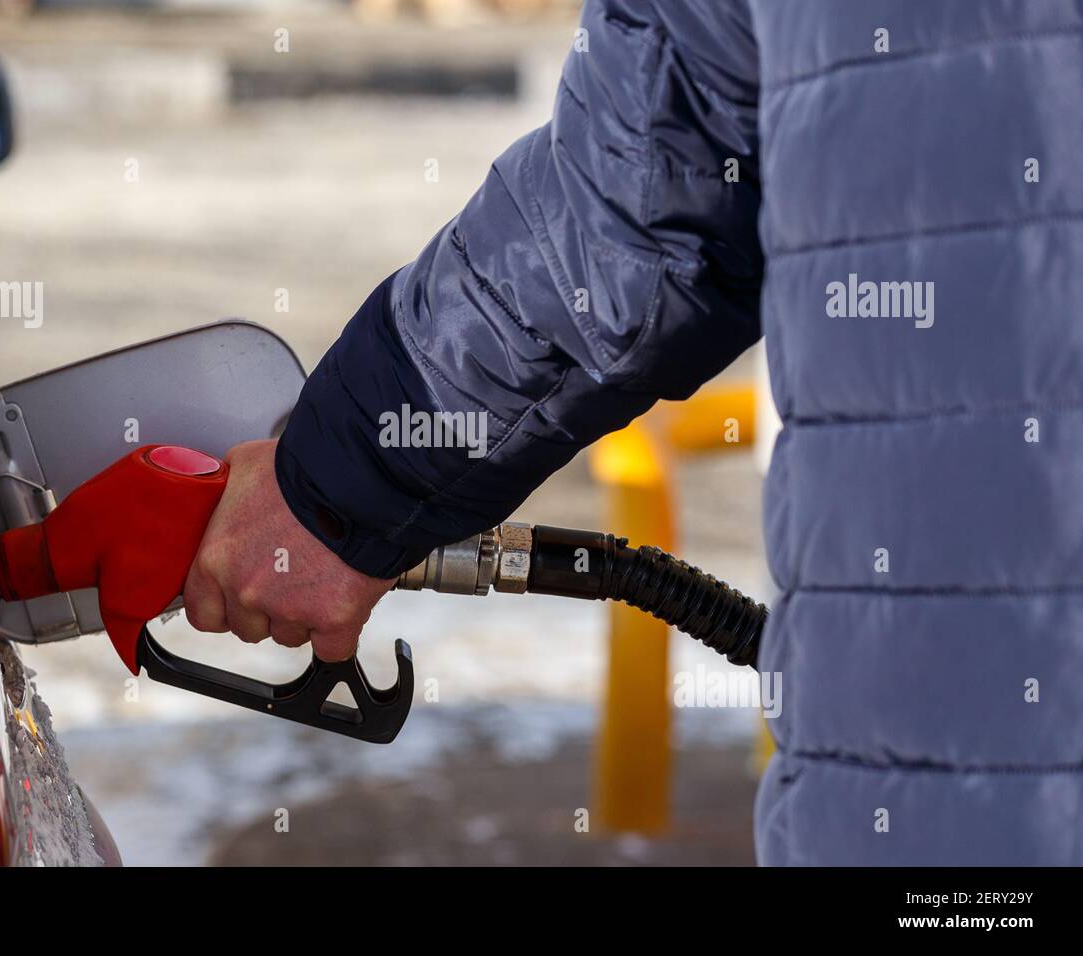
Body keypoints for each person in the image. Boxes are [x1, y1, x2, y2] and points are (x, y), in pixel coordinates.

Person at [183, 0, 1081, 864]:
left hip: (970, 767)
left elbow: (644, 196)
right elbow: (664, 172)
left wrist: (339, 490)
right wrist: (340, 487)